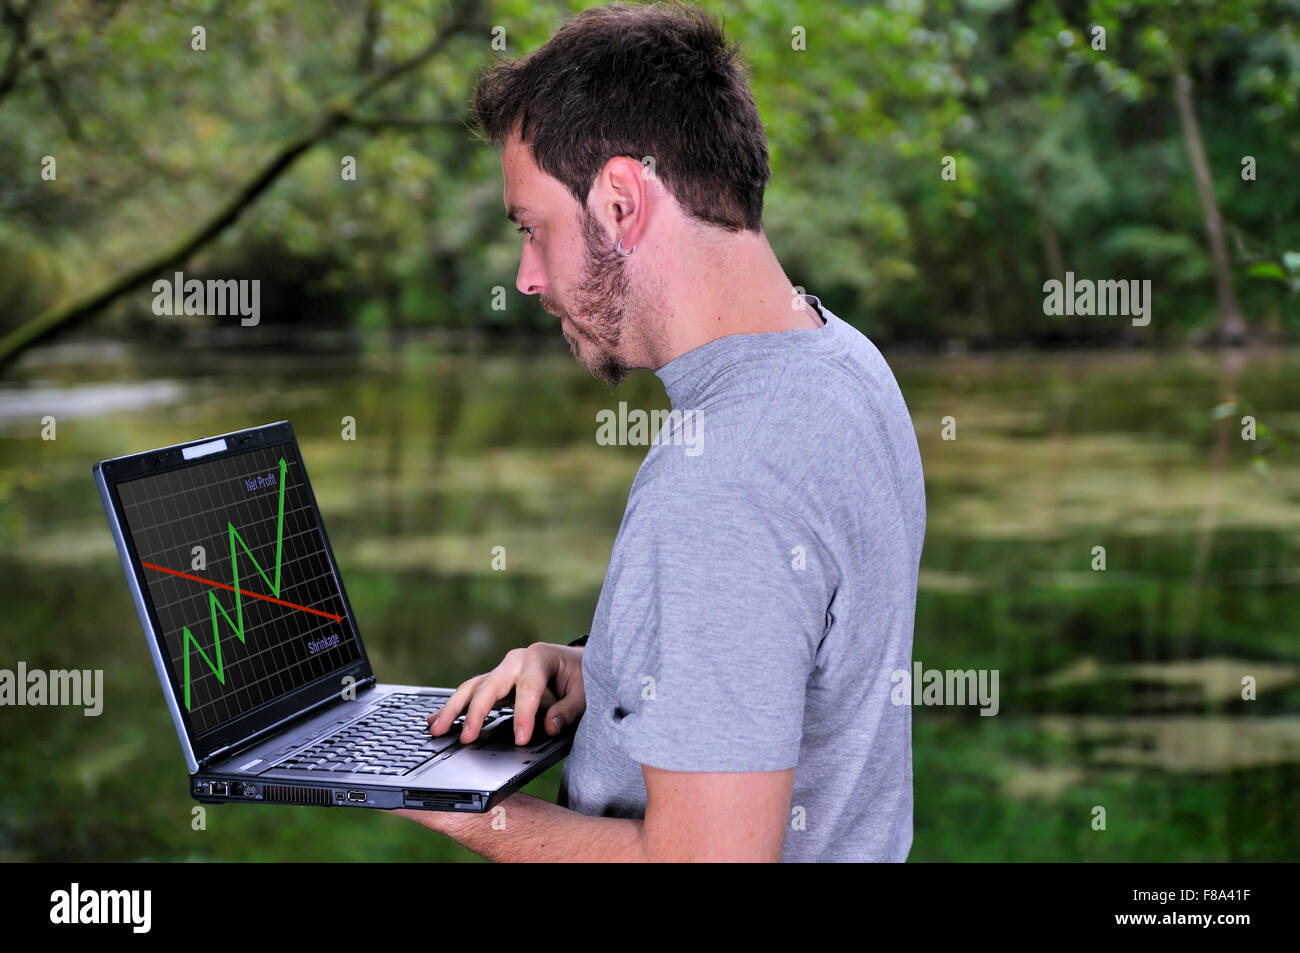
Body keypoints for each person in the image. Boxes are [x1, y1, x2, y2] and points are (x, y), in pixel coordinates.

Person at [394, 0, 926, 861]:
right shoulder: (844, 363)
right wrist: (596, 669)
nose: (527, 278)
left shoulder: (724, 480)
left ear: (618, 201)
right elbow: (781, 656)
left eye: (532, 230)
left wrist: (441, 795)